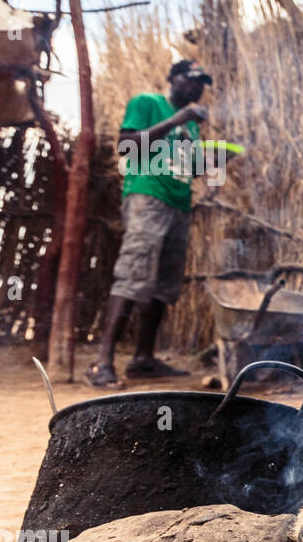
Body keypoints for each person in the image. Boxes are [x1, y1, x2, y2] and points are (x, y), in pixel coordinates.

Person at [86, 59, 212, 388]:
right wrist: (175, 119)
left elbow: (189, 167)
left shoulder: (192, 128)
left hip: (179, 203)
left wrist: (211, 160)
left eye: (202, 83)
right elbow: (127, 146)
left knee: (164, 285)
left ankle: (143, 359)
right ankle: (102, 363)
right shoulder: (148, 103)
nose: (197, 86)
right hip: (147, 196)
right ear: (172, 78)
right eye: (191, 79)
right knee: (133, 274)